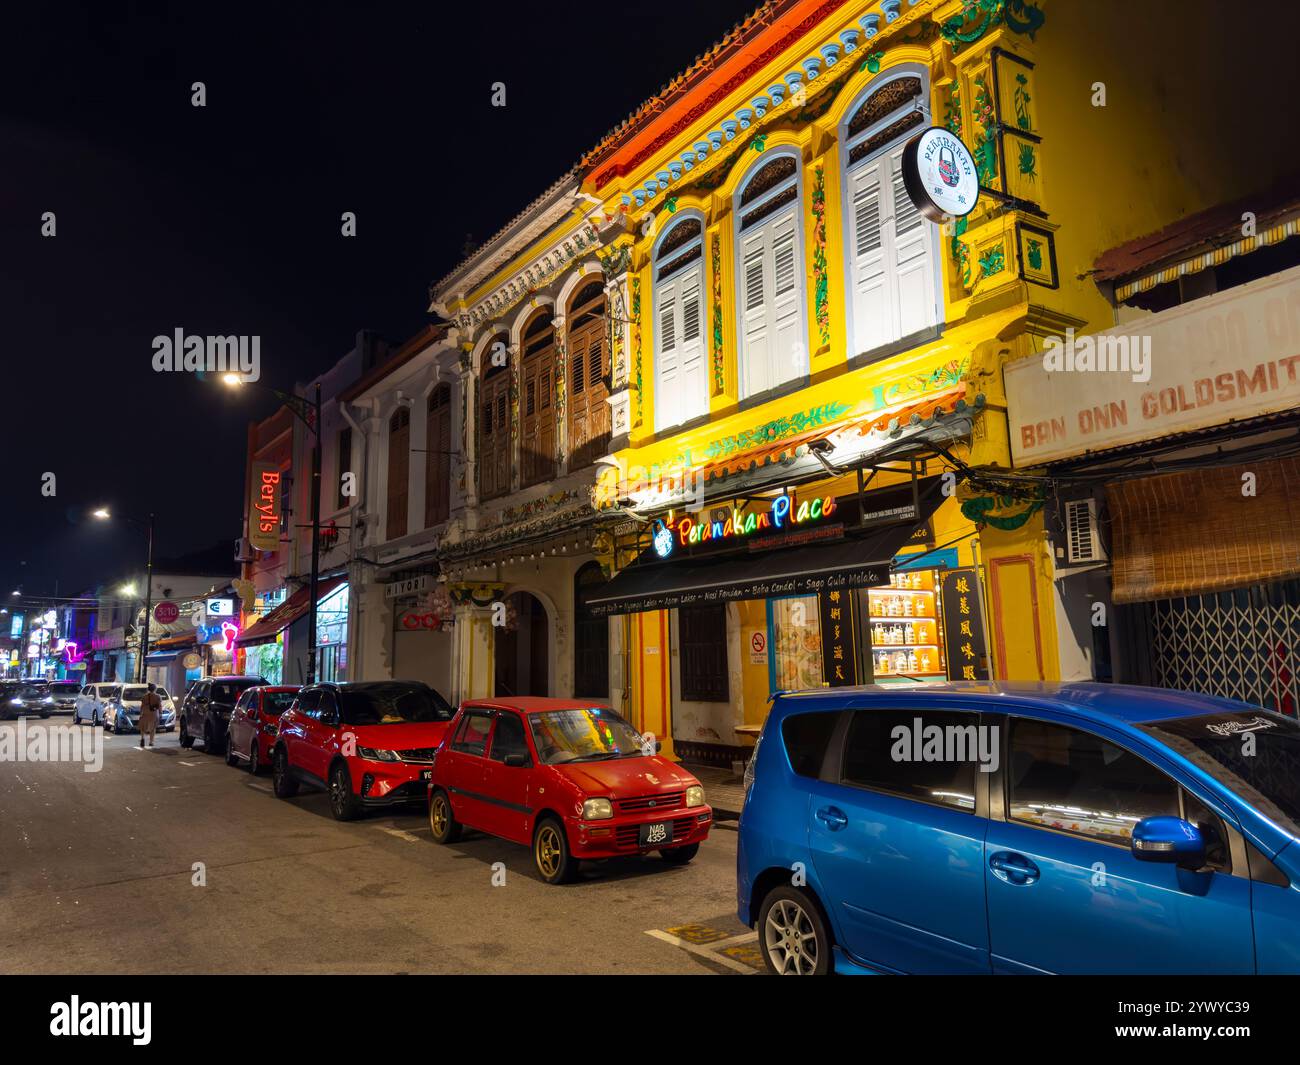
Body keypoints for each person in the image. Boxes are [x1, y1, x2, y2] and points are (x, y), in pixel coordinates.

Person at [139, 682, 162, 749]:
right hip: (154, 713)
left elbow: (142, 706)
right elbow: (160, 706)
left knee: (143, 726)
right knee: (153, 728)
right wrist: (160, 713)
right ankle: (151, 742)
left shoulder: (144, 696)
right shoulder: (158, 696)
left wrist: (141, 713)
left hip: (145, 712)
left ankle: (142, 738)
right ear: (155, 689)